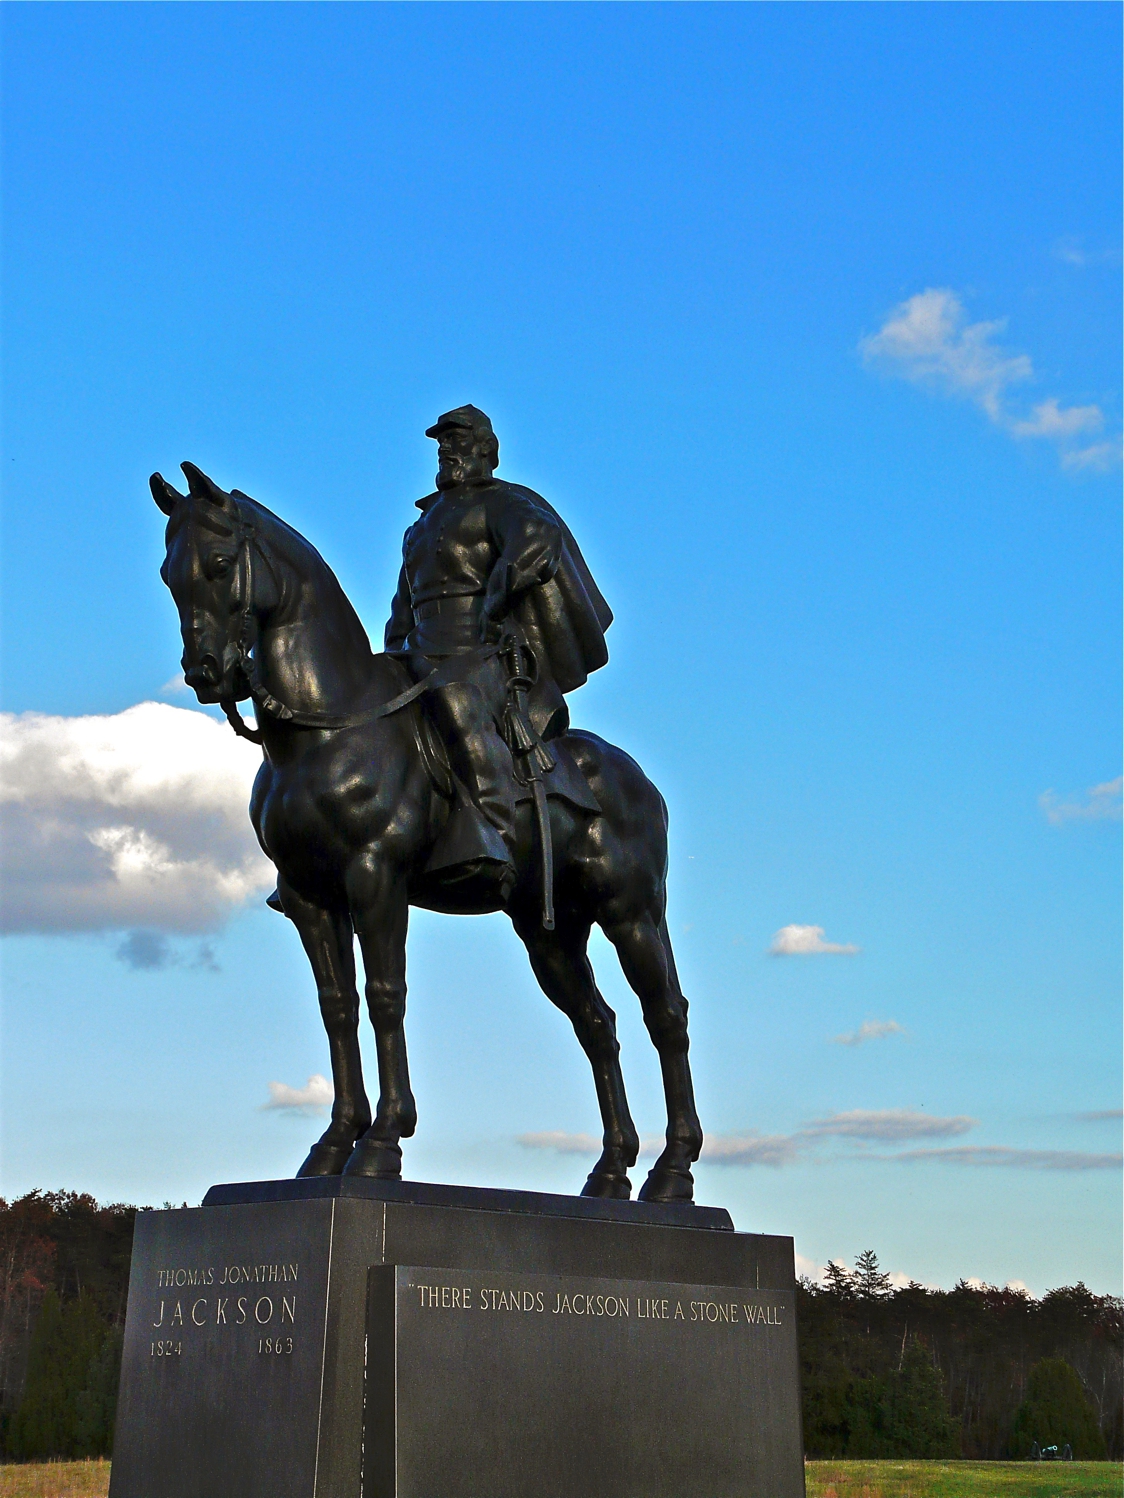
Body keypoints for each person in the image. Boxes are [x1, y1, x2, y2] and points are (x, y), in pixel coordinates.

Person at [385, 406, 612, 887]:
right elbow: (404, 599)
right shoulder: (419, 527)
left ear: (486, 450)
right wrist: (390, 647)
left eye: (459, 441)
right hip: (419, 652)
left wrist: (498, 594)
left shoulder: (501, 503)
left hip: (480, 653)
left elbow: (539, 536)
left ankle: (491, 830)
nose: (448, 450)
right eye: (443, 443)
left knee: (457, 702)